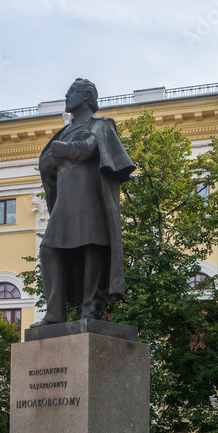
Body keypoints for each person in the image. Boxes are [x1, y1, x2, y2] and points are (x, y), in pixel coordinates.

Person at [32, 78, 135, 326]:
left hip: (90, 195)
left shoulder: (101, 124)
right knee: (49, 250)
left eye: (72, 91)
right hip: (65, 199)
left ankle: (90, 309)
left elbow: (86, 150)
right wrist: (64, 149)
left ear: (87, 96)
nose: (67, 96)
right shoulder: (64, 132)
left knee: (92, 246)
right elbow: (45, 163)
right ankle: (55, 313)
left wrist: (59, 150)